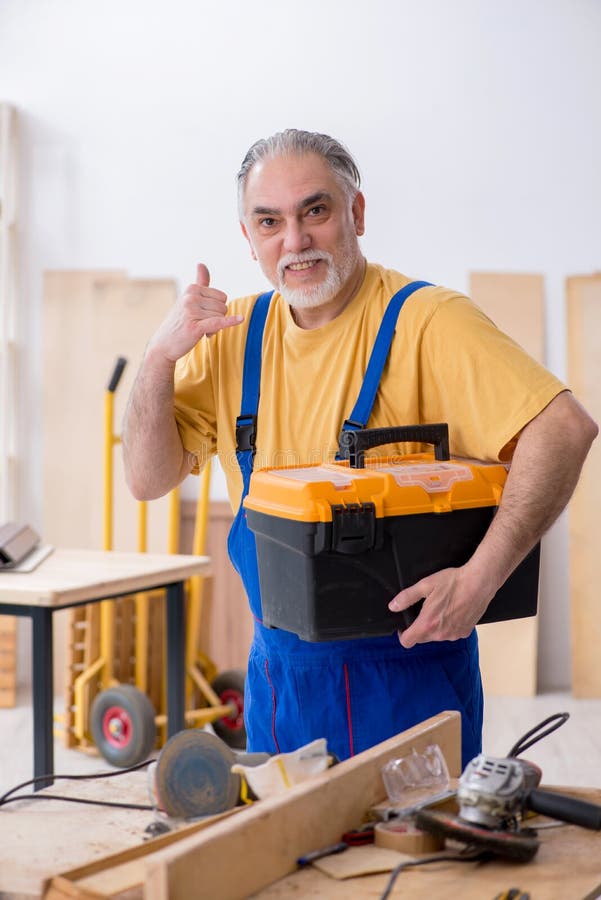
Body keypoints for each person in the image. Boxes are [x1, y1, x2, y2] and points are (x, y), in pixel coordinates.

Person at [123, 129, 597, 767]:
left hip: (407, 683)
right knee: (284, 858)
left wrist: (484, 577)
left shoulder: (429, 321)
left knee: (419, 862)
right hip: (280, 682)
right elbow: (147, 479)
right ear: (249, 237)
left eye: (315, 211)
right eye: (270, 221)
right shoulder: (228, 338)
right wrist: (158, 358)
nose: (295, 241)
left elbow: (563, 428)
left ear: (357, 213)